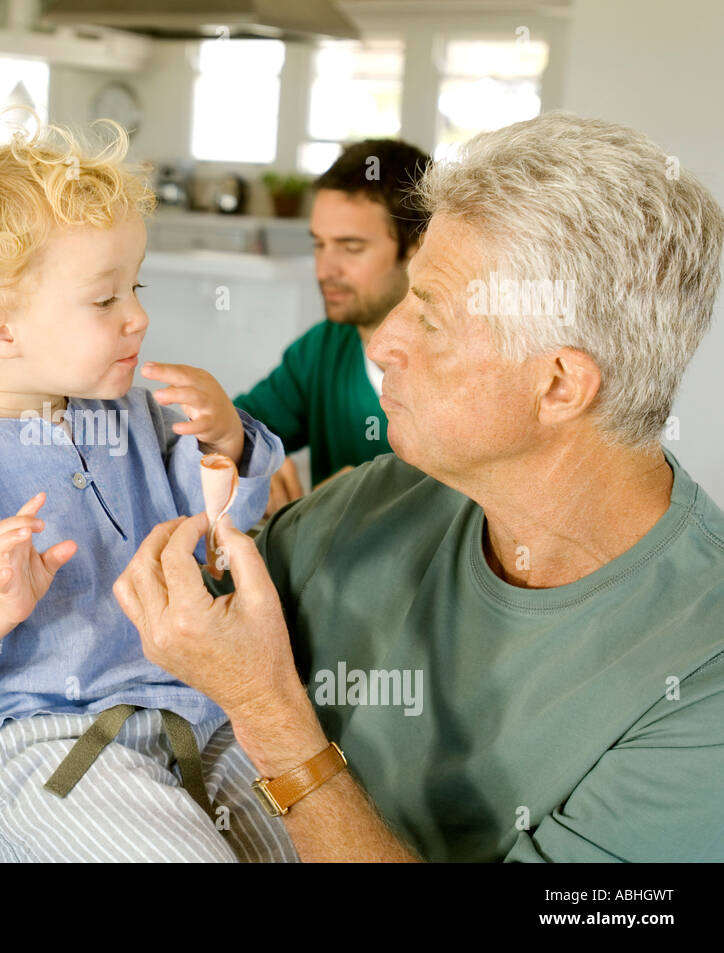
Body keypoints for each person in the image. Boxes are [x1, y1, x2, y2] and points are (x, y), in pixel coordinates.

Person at [112, 113, 724, 862]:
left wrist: (270, 714)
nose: (387, 340)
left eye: (430, 317)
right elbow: (182, 604)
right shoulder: (387, 491)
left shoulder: (703, 681)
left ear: (559, 383)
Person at [0, 120, 296, 862]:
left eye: (136, 285)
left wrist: (225, 442)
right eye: (103, 300)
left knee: (314, 834)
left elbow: (217, 533)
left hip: (187, 713)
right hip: (29, 737)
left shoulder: (138, 416)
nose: (138, 316)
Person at [235, 140, 431, 512]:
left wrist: (369, 496)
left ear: (418, 249)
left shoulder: (472, 365)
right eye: (319, 245)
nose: (325, 270)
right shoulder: (322, 350)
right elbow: (234, 428)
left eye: (351, 247)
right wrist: (247, 453)